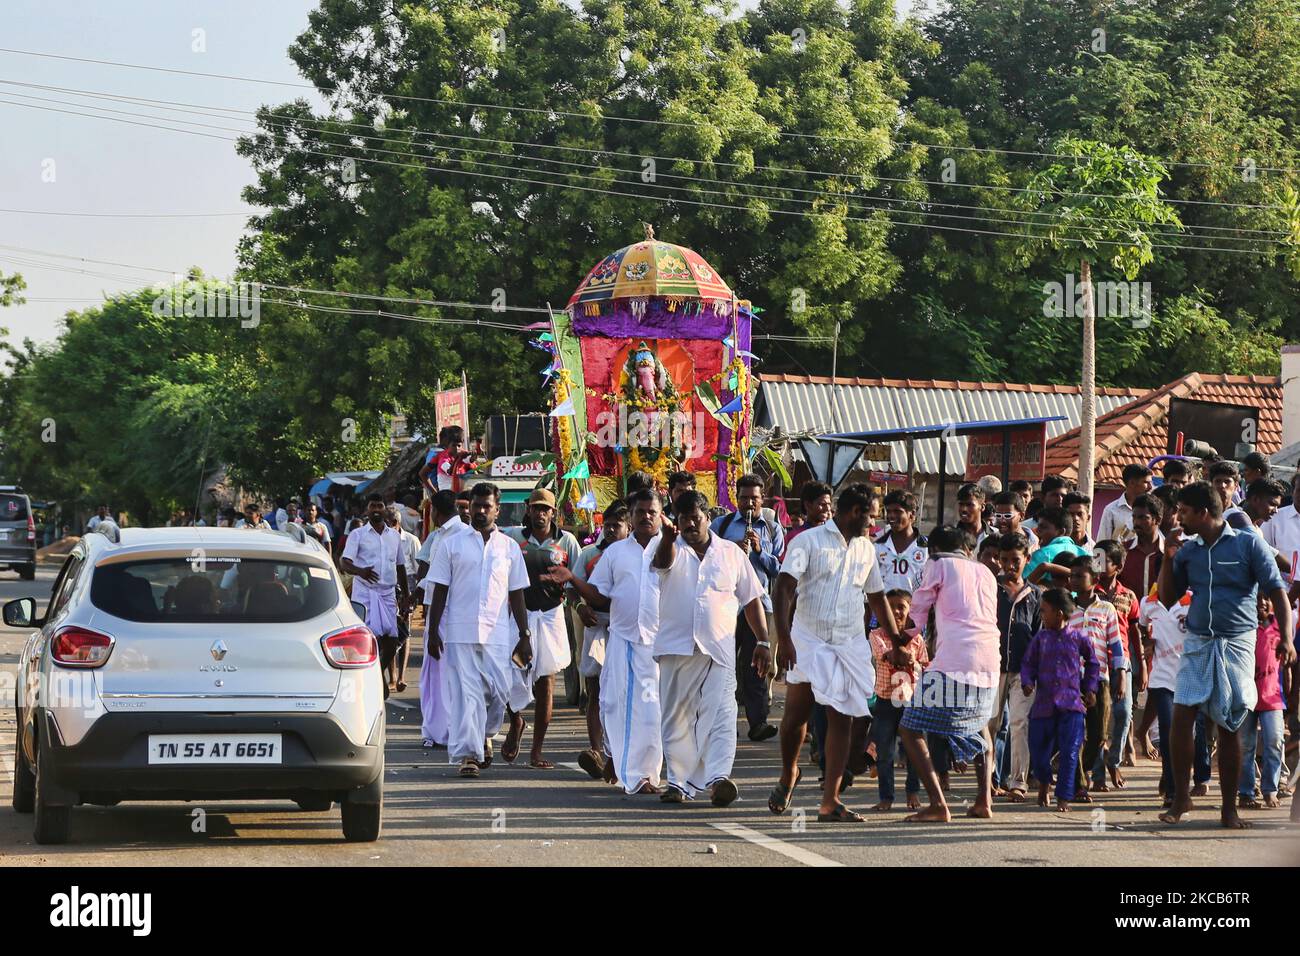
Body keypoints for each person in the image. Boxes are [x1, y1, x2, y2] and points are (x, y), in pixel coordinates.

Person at [1158, 480, 1295, 827]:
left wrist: (1287, 639)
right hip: (1198, 642)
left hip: (1238, 642)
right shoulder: (1188, 549)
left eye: (1185, 512)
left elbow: (1277, 592)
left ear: (1203, 512)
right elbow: (1167, 598)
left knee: (1231, 723)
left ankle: (1229, 808)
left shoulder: (1249, 544)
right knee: (1182, 715)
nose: (1180, 518)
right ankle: (1181, 798)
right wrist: (1168, 557)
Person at [768, 483, 903, 823]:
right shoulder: (807, 542)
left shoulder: (866, 549)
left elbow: (876, 598)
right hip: (808, 640)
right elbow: (783, 589)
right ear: (855, 512)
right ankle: (789, 774)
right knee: (796, 717)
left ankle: (830, 801)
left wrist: (898, 642)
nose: (873, 525)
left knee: (842, 716)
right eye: (871, 518)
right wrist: (784, 640)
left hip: (849, 643)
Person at [653, 490, 769, 805]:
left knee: (722, 715)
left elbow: (751, 599)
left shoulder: (731, 553)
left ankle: (719, 779)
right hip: (678, 648)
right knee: (678, 717)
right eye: (683, 518)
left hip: (719, 651)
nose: (690, 524)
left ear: (708, 518)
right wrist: (667, 538)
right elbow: (661, 565)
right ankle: (677, 784)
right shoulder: (667, 546)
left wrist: (763, 640)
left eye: (696, 518)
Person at [550, 489, 665, 794]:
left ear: (661, 514)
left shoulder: (671, 549)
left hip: (657, 645)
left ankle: (643, 775)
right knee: (614, 704)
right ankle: (615, 755)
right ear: (633, 514)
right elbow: (600, 596)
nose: (646, 517)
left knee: (650, 710)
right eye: (640, 512)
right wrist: (572, 580)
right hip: (622, 640)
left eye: (652, 512)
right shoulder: (615, 553)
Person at [426, 482, 533, 777]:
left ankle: (485, 735)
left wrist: (524, 635)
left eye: (487, 506)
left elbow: (517, 594)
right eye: (476, 506)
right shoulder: (451, 544)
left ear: (497, 510)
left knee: (497, 693)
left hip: (497, 633)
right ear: (469, 508)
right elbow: (440, 590)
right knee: (465, 695)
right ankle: (469, 755)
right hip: (459, 631)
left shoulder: (509, 548)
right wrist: (433, 630)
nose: (481, 511)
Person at [897, 525, 1001, 823]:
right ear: (967, 550)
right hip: (989, 661)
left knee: (910, 727)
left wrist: (900, 640)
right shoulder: (985, 572)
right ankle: (984, 800)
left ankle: (937, 804)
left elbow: (918, 611)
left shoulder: (938, 563)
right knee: (981, 727)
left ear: (934, 549)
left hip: (955, 660)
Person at [502, 488, 581, 769]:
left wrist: (578, 605)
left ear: (553, 512)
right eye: (535, 508)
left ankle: (537, 751)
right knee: (512, 674)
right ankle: (516, 722)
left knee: (546, 682)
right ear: (528, 511)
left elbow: (575, 579)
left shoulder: (567, 542)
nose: (540, 513)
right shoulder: (513, 539)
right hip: (519, 616)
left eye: (544, 509)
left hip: (551, 615)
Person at [709, 473, 785, 742]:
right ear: (736, 499)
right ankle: (721, 723)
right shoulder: (720, 525)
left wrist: (758, 552)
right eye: (744, 498)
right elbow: (707, 562)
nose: (749, 504)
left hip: (758, 606)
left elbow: (779, 568)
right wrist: (733, 554)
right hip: (726, 607)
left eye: (754, 498)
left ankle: (758, 722)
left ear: (761, 498)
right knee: (723, 664)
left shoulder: (773, 528)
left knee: (756, 665)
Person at [1020, 588, 1101, 811]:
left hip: (1072, 704)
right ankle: (1044, 782)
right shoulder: (1040, 639)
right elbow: (1028, 663)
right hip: (1043, 705)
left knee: (1070, 751)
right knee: (1037, 750)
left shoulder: (1078, 638)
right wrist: (1027, 681)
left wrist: (1091, 688)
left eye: (1044, 611)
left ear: (1059, 613)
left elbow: (1093, 662)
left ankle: (1064, 797)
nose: (1041, 615)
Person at [569, 501, 630, 780]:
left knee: (621, 695)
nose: (611, 530)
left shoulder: (635, 556)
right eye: (607, 525)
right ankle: (597, 752)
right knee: (595, 691)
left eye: (617, 525)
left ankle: (620, 753)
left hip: (625, 632)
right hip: (596, 628)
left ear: (627, 528)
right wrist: (581, 608)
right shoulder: (589, 554)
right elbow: (572, 589)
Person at [1066, 553, 1125, 799]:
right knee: (1075, 733)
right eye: (1072, 576)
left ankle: (1082, 769)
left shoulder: (1107, 608)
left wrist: (1120, 673)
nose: (1074, 581)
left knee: (1099, 734)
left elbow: (1116, 644)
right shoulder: (1067, 607)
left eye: (1080, 576)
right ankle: (1078, 784)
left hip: (1100, 678)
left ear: (1095, 579)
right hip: (1071, 679)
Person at [341, 495, 409, 700]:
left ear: (385, 509)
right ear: (367, 510)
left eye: (380, 506)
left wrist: (406, 595)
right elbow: (344, 562)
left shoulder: (394, 536)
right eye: (373, 506)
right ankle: (366, 679)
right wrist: (360, 571)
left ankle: (376, 673)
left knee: (394, 638)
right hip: (365, 593)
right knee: (367, 637)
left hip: (388, 593)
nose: (376, 509)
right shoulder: (357, 535)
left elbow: (400, 566)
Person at [414, 490, 469, 748]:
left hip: (449, 612)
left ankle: (448, 731)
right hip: (435, 611)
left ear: (435, 511)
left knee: (446, 673)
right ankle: (435, 730)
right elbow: (430, 576)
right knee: (433, 674)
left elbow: (445, 581)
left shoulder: (459, 535)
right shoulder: (440, 535)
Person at [990, 531, 1041, 802]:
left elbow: (1038, 636)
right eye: (1005, 560)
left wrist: (1034, 674)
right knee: (991, 724)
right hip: (993, 667)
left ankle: (1018, 782)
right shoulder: (990, 590)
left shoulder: (1035, 596)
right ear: (998, 560)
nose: (1010, 565)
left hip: (1023, 671)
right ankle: (987, 780)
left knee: (1020, 724)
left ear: (1027, 560)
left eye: (1016, 560)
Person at [867, 589, 928, 812]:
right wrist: (903, 657)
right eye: (890, 607)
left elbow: (925, 664)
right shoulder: (877, 635)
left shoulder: (917, 638)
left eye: (901, 606)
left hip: (911, 703)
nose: (896, 611)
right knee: (885, 751)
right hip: (885, 702)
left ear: (910, 610)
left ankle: (913, 791)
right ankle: (886, 796)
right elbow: (885, 655)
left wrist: (913, 662)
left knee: (915, 751)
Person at [1138, 585, 1195, 806]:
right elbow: (1141, 626)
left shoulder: (1193, 600)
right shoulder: (1148, 603)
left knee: (1188, 738)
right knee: (1168, 732)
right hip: (1162, 680)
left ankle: (1180, 780)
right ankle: (1173, 791)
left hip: (1190, 679)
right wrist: (1148, 641)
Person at [1094, 539, 1141, 790]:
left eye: (1103, 561)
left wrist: (1140, 664)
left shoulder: (1128, 596)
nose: (1097, 565)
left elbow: (1134, 631)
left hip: (1122, 661)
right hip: (1097, 661)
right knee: (1100, 718)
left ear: (1118, 567)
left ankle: (1114, 759)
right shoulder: (1090, 592)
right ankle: (1099, 772)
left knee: (1124, 713)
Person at [1238, 594, 1287, 809]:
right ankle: (1246, 792)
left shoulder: (1280, 627)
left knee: (1275, 741)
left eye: (1266, 598)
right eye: (1257, 598)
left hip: (1273, 696)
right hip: (1247, 696)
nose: (1262, 603)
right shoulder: (1244, 626)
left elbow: (1289, 663)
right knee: (1246, 746)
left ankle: (1270, 789)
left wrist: (1292, 694)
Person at [387, 505, 422, 694]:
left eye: (387, 523)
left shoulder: (411, 540)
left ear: (395, 523)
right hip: (388, 587)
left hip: (407, 587)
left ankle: (401, 677)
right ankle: (392, 677)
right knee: (390, 632)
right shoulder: (383, 539)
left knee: (405, 631)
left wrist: (412, 596)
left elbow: (418, 569)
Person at [875, 489, 928, 593]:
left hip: (915, 608)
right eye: (889, 511)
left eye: (897, 511)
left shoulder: (927, 548)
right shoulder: (878, 546)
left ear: (912, 514)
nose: (891, 516)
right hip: (884, 608)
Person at [1024, 507, 1086, 587]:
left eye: (1043, 527)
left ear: (1061, 532)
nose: (1037, 530)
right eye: (1038, 526)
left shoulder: (1043, 554)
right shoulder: (1085, 554)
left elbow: (1022, 586)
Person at [1119, 494, 1164, 599]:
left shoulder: (1171, 553)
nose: (1136, 523)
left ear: (1158, 520)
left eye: (1143, 518)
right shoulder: (1122, 551)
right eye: (1134, 517)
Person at [1098, 464, 1154, 543]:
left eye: (1150, 483)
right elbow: (1102, 542)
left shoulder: (1153, 508)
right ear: (1132, 483)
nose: (1150, 487)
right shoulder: (1111, 510)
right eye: (1146, 482)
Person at [420, 425, 475, 494]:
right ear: (446, 441)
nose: (457, 448)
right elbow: (423, 473)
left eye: (459, 445)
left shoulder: (456, 453)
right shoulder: (438, 455)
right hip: (442, 493)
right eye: (454, 444)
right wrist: (434, 493)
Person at [785, 480, 833, 551]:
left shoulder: (833, 536)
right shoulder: (795, 537)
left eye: (829, 504)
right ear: (807, 505)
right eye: (822, 504)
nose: (828, 508)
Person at [1207, 461, 1253, 531]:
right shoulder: (1201, 514)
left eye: (1227, 481)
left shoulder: (1240, 518)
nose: (1222, 485)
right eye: (1218, 481)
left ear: (1236, 486)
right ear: (1211, 484)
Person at [956, 483, 990, 547]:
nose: (964, 509)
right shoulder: (950, 537)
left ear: (982, 507)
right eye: (961, 504)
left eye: (969, 505)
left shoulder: (995, 536)